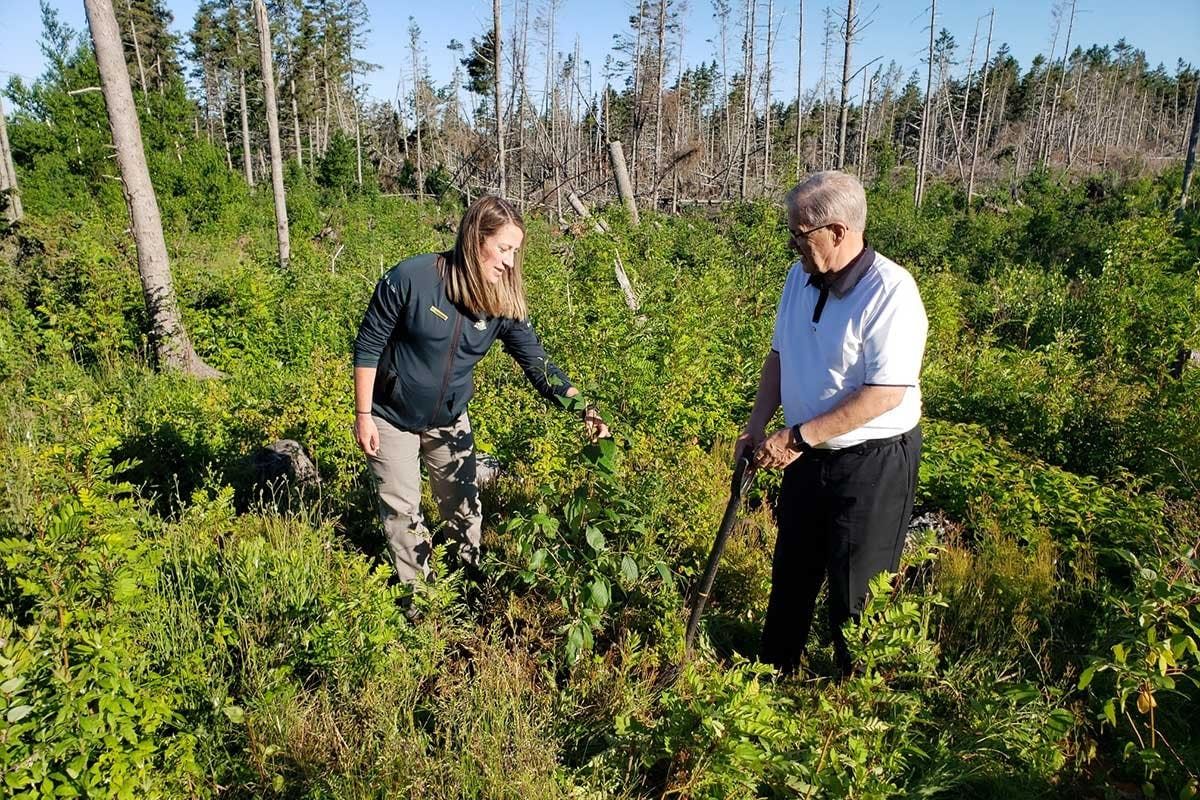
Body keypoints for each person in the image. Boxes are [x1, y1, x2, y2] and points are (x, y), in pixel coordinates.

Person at [352, 195, 608, 586]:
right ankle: (422, 600)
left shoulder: (502, 300)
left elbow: (538, 365)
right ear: (476, 239)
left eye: (515, 251)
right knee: (403, 512)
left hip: (449, 419)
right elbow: (368, 345)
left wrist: (583, 408)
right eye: (503, 248)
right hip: (390, 417)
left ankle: (467, 577)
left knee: (463, 505)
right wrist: (363, 415)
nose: (509, 261)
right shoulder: (413, 278)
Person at [737, 171, 928, 677]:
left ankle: (854, 700)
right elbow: (780, 354)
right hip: (805, 453)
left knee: (856, 590)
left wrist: (799, 436)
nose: (793, 244)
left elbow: (887, 392)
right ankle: (771, 679)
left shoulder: (891, 292)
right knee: (792, 574)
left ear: (838, 232)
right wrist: (758, 427)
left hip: (872, 463)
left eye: (800, 234)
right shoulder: (799, 277)